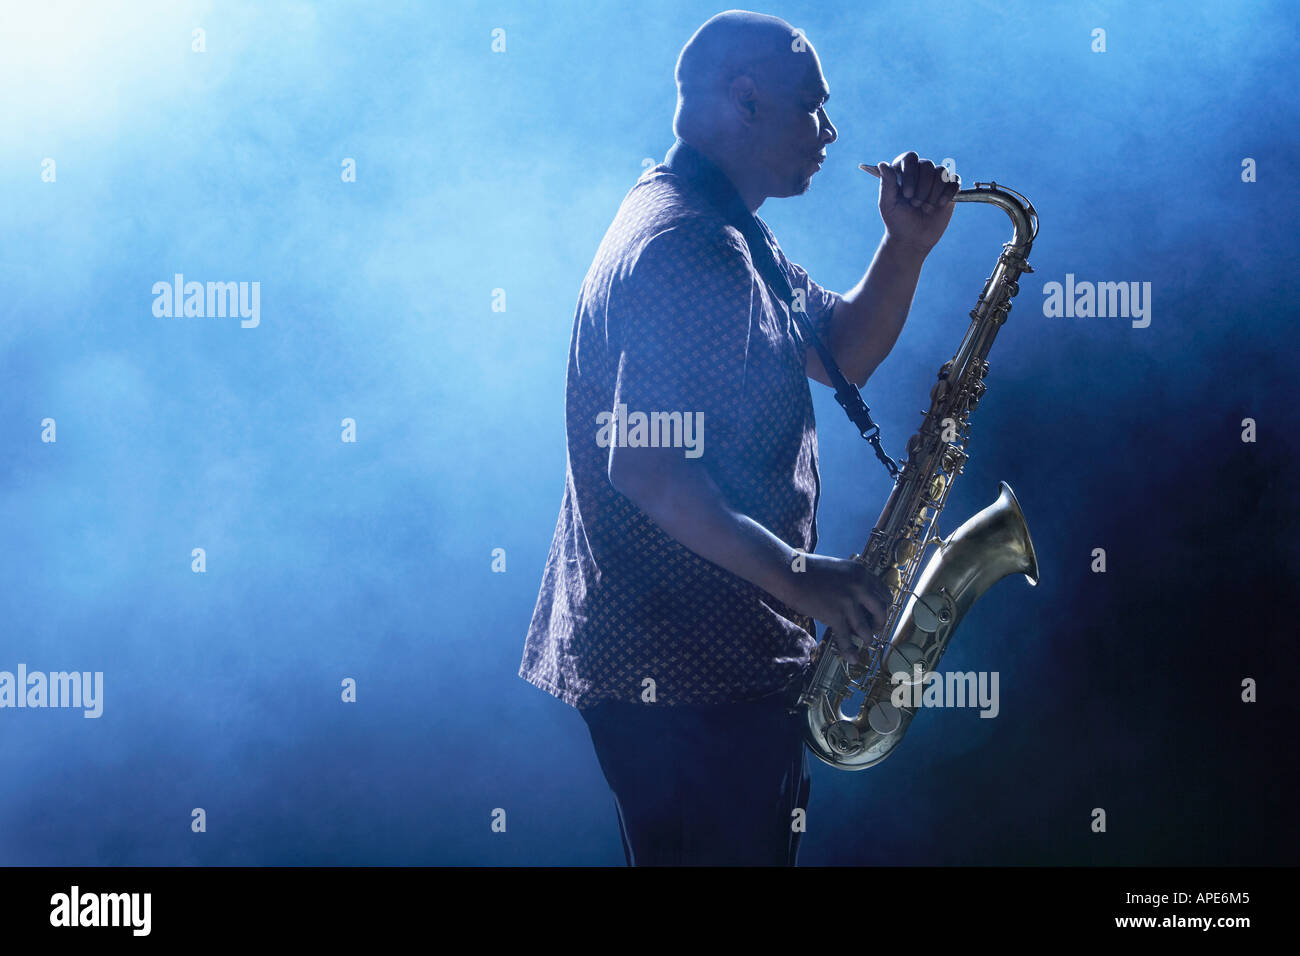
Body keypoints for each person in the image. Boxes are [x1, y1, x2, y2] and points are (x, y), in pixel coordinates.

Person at [518, 9, 960, 865]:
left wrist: (905, 247)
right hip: (685, 680)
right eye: (813, 106)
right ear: (747, 99)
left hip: (707, 669)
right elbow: (647, 469)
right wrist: (806, 580)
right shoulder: (688, 246)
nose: (831, 133)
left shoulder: (725, 227)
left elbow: (842, 352)